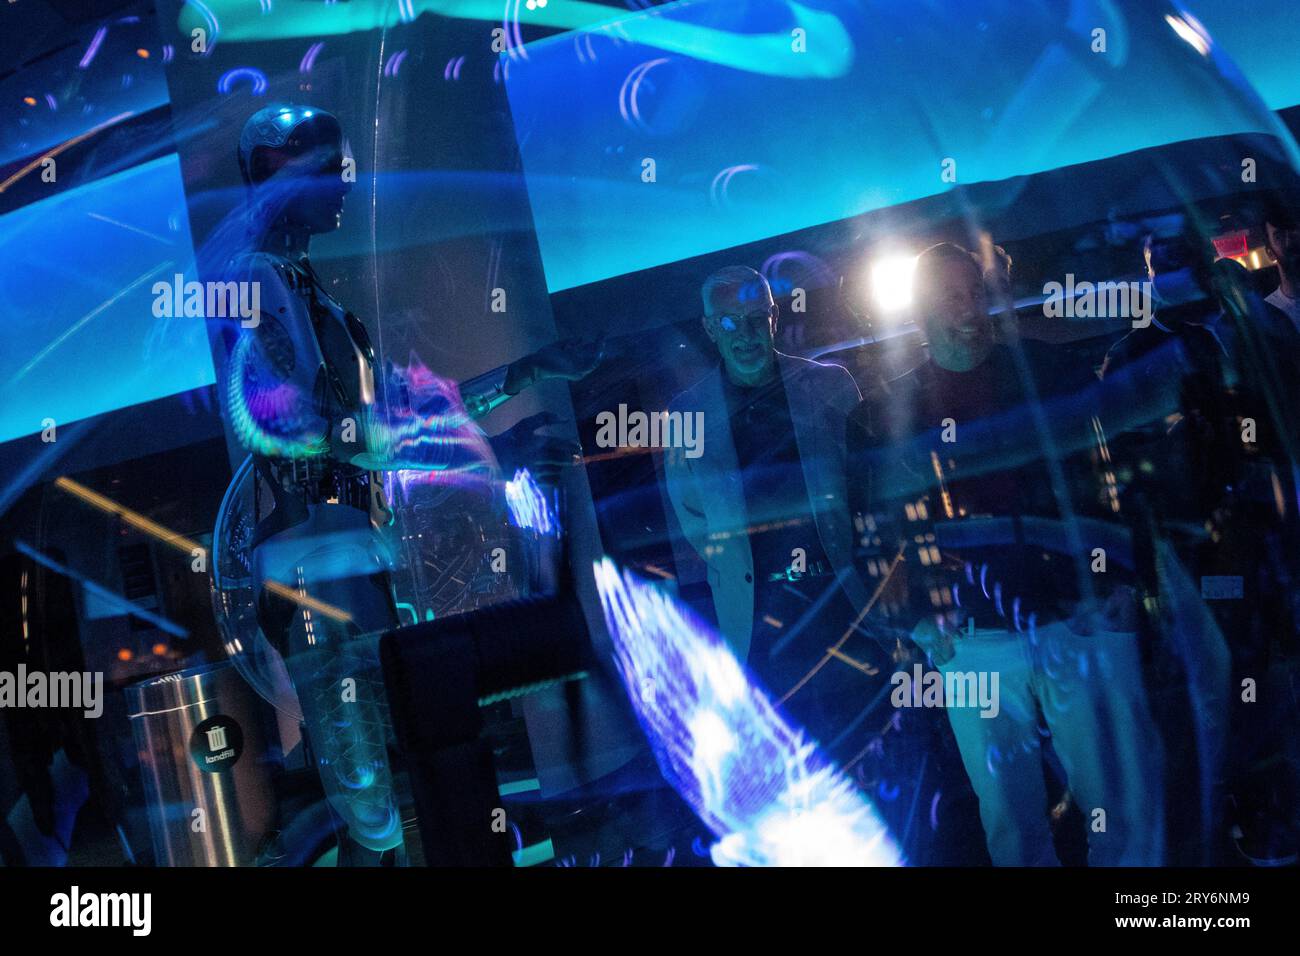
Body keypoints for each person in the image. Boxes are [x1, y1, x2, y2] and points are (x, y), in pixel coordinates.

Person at [219, 104, 599, 864]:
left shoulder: (307, 293)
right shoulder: (257, 283)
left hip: (347, 561)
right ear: (273, 175)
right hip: (319, 568)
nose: (345, 184)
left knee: (398, 787)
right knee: (375, 799)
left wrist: (510, 393)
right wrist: (469, 445)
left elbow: (384, 420)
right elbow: (312, 426)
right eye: (328, 167)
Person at [848, 242, 1164, 866]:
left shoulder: (1054, 374)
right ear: (918, 312)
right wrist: (911, 619)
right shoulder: (880, 417)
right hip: (972, 640)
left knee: (1122, 806)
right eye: (950, 297)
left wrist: (1124, 581)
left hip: (1080, 616)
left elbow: (1113, 474)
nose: (969, 309)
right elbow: (871, 530)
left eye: (974, 293)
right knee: (1012, 824)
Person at [662, 266, 881, 733]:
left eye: (755, 317)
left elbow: (867, 486)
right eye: (728, 322)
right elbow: (695, 519)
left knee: (872, 741)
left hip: (843, 601)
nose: (744, 333)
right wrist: (742, 564)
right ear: (708, 329)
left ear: (774, 317)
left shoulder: (832, 385)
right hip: (758, 620)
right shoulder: (685, 414)